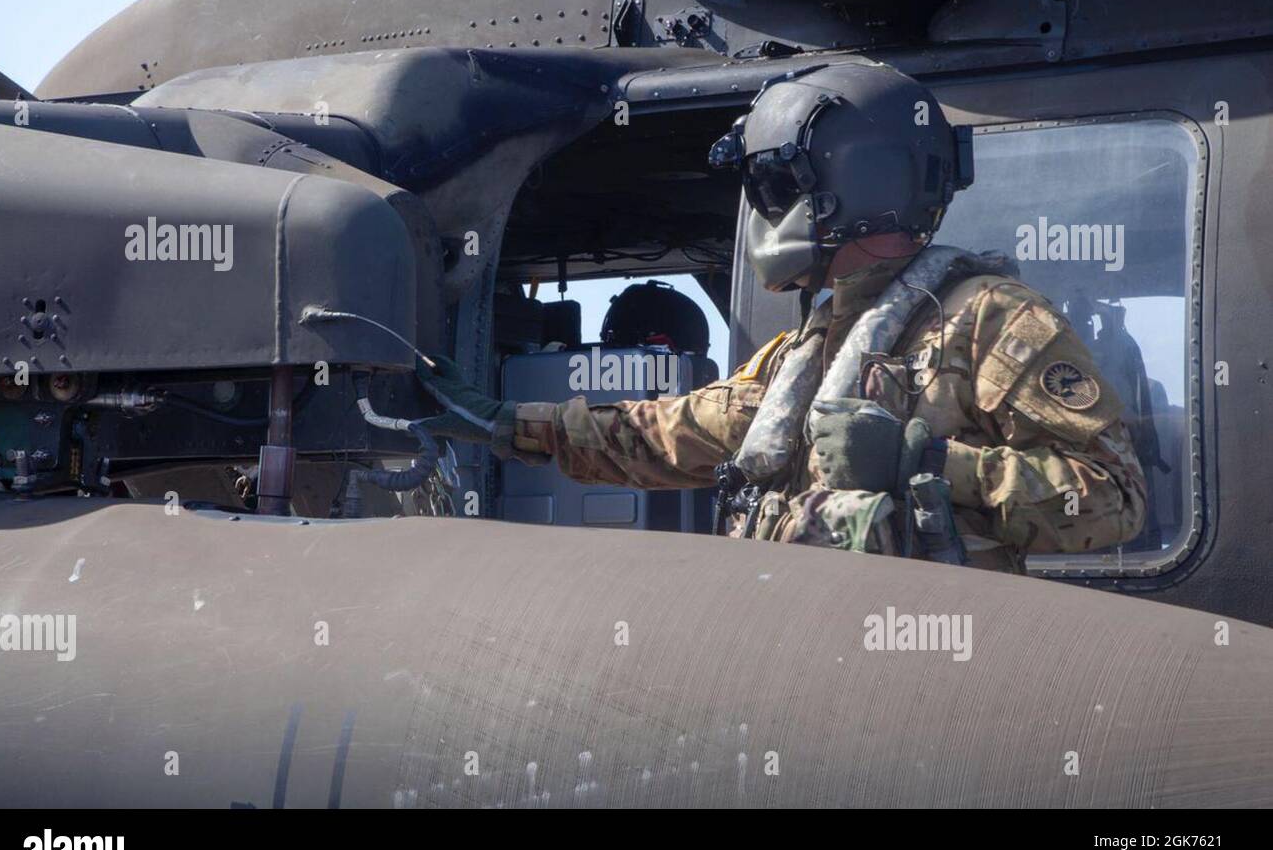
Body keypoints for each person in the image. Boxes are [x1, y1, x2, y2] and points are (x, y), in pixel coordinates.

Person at [418, 59, 1146, 573]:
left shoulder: (992, 321)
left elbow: (1115, 500)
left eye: (773, 185)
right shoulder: (811, 347)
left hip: (929, 678)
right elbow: (667, 434)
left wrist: (926, 462)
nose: (765, 211)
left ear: (847, 185)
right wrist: (506, 425)